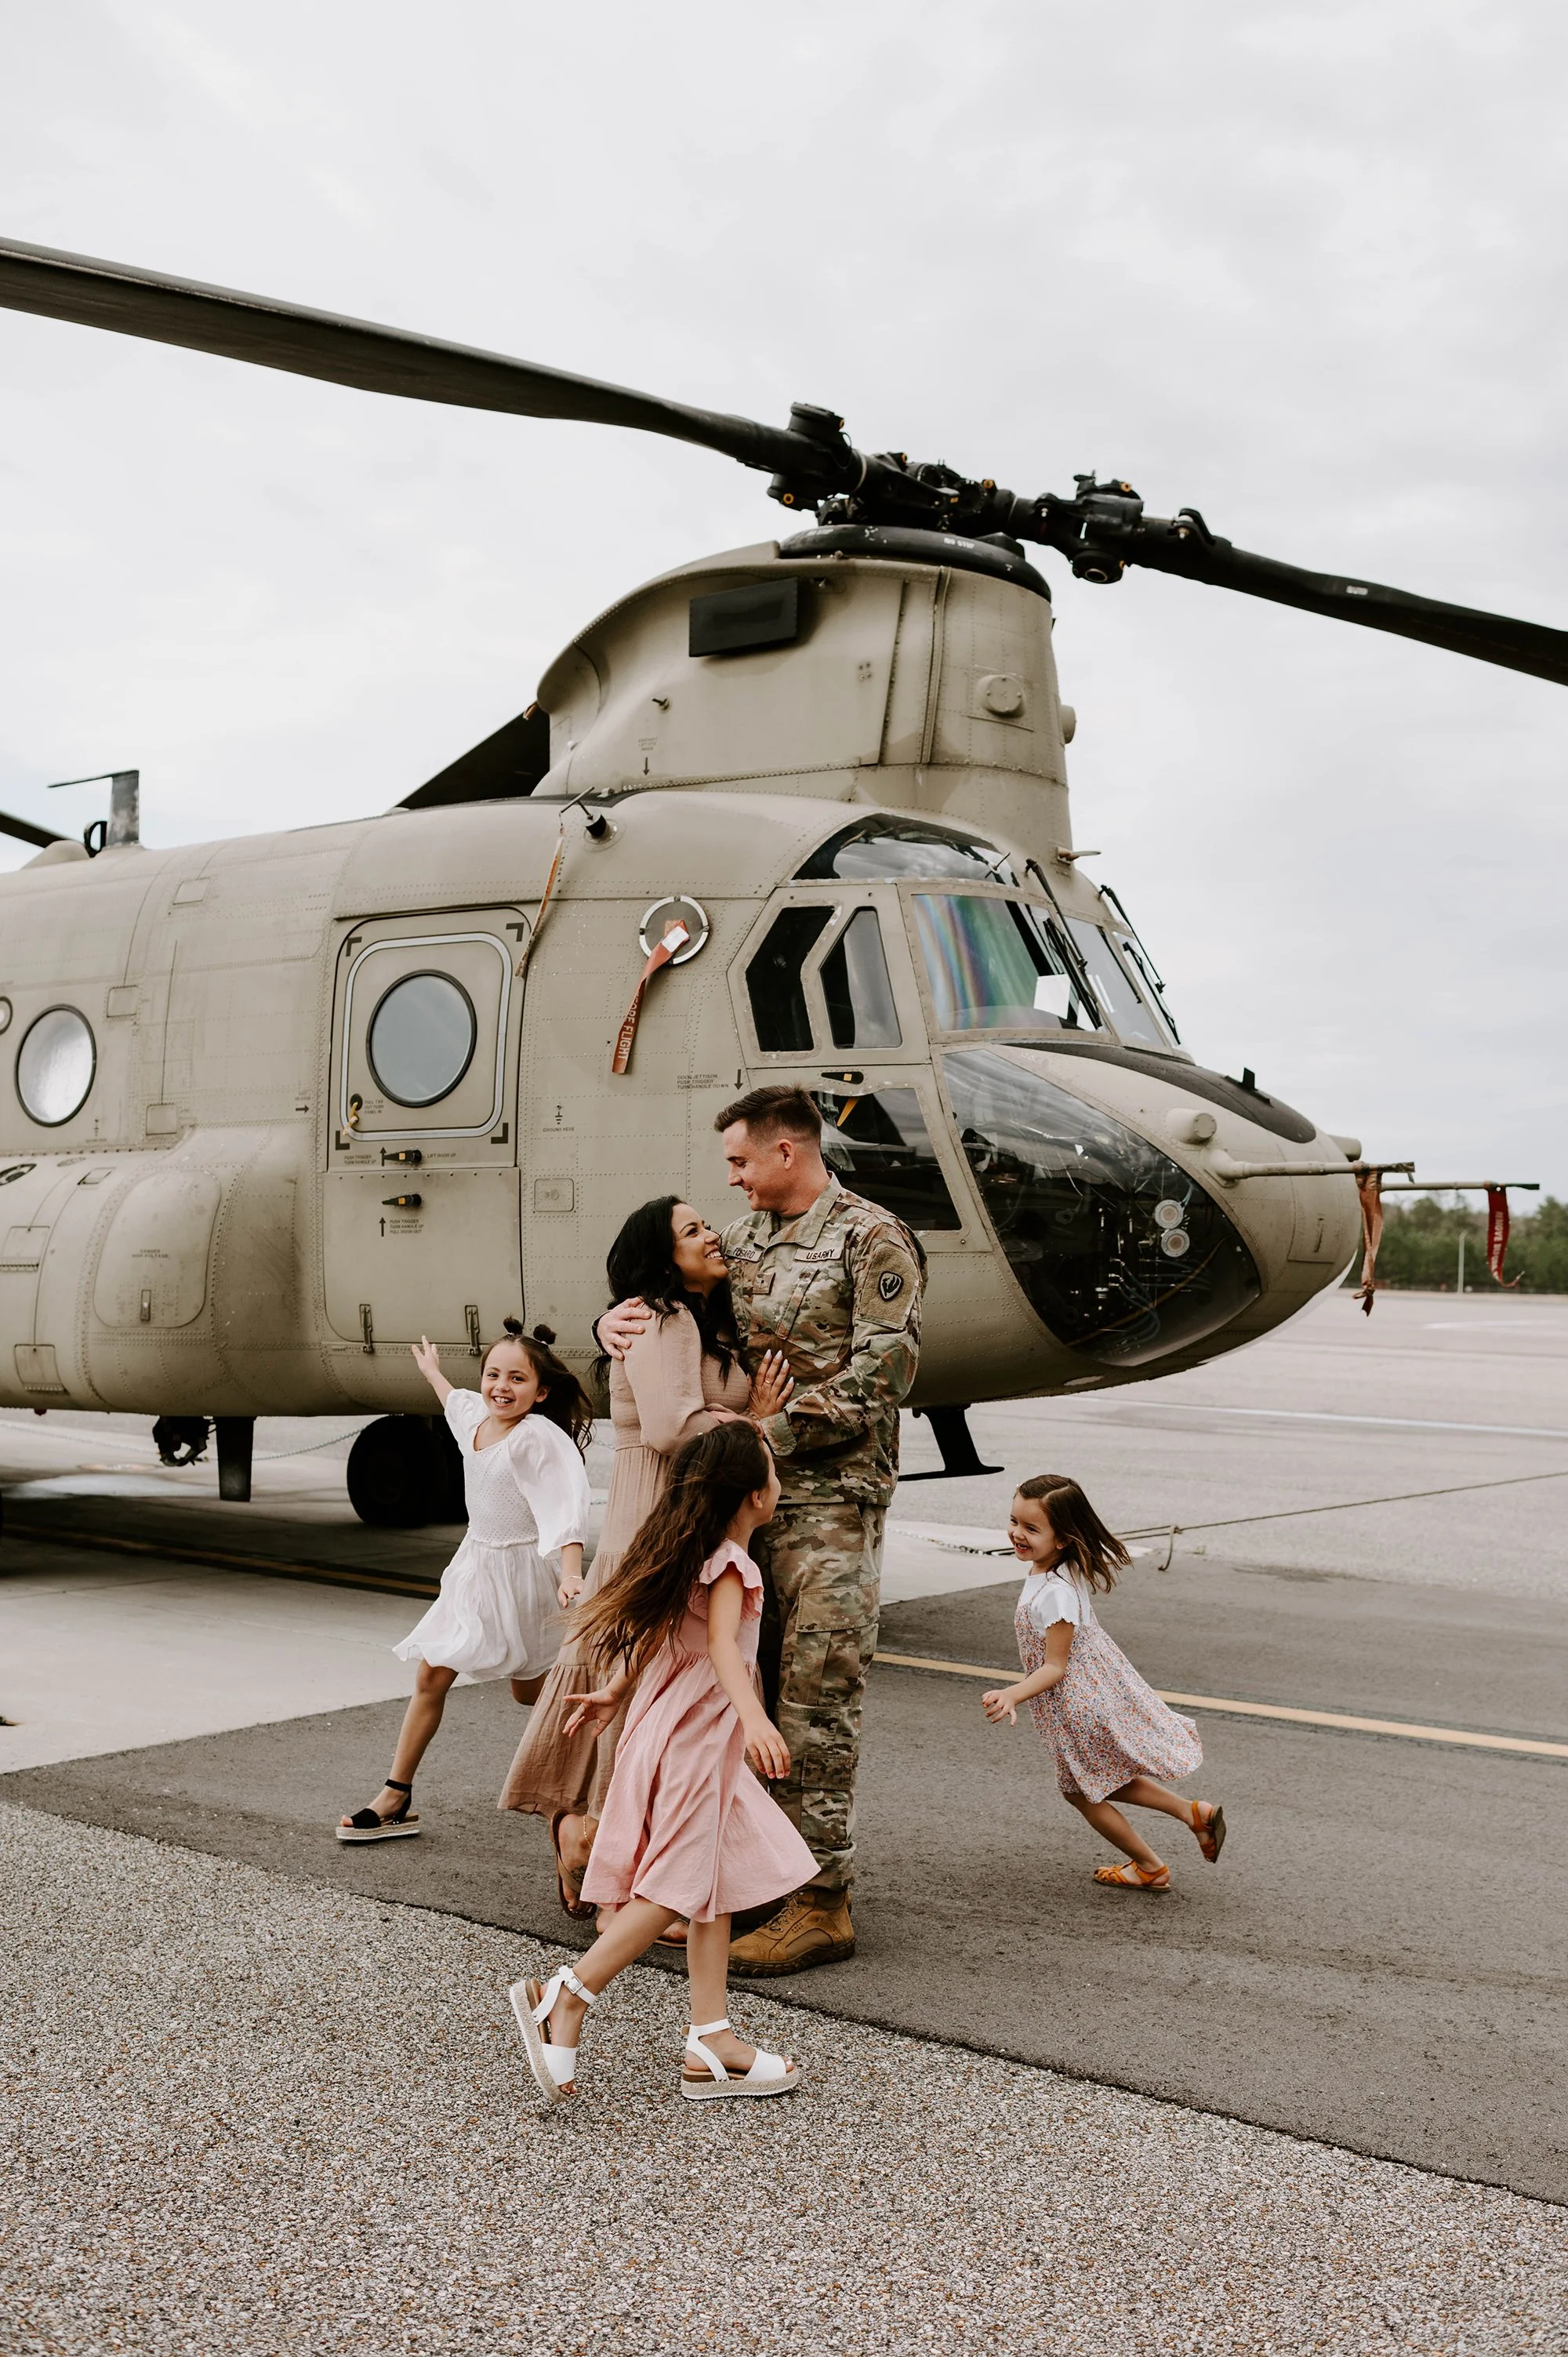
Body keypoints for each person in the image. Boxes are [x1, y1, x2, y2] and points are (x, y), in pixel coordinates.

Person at [597, 1084, 924, 1974]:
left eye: (741, 1160)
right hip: (744, 1507)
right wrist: (613, 1317)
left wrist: (755, 1439)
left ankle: (821, 1901)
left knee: (816, 1692)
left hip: (829, 1502)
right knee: (738, 1686)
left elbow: (883, 1376)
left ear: (787, 1151)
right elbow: (673, 1308)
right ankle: (753, 1879)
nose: (733, 1178)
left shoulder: (871, 1238)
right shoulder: (739, 1243)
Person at [499, 1197, 793, 1919]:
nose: (711, 1235)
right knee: (643, 1688)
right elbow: (669, 1427)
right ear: (664, 1260)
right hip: (652, 1518)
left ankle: (604, 1850)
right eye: (692, 1231)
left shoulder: (699, 1318)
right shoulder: (664, 1318)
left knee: (659, 1686)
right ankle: (601, 1859)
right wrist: (754, 1421)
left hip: (684, 1516)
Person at [511, 1422, 815, 2102]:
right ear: (754, 1495)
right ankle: (569, 1994)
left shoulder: (696, 1552)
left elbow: (657, 1635)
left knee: (714, 1879)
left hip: (673, 1726)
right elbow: (723, 1649)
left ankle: (712, 2040)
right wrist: (755, 1718)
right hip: (699, 1736)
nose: (778, 1480)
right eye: (772, 1470)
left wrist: (617, 1690)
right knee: (678, 1884)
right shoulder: (732, 1564)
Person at [336, 1320, 592, 1843]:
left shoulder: (536, 1437)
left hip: (525, 1578)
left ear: (541, 1392)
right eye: (493, 1374)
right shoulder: (476, 1418)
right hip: (476, 1570)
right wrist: (433, 1372)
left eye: (517, 1379)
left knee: (531, 1693)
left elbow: (566, 1507)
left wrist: (571, 1574)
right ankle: (396, 1795)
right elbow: (455, 1402)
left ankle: (610, 1752)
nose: (501, 1387)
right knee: (432, 1674)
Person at [982, 1473, 1225, 1889]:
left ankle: (1150, 1867)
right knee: (1100, 1778)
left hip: (1075, 1702)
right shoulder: (1060, 1565)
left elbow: (1054, 1667)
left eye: (1031, 1528)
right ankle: (1192, 1814)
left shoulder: (1055, 1592)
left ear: (1063, 1538)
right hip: (1093, 1691)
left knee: (1081, 1790)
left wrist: (1012, 1694)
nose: (1017, 1534)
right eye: (1014, 1521)